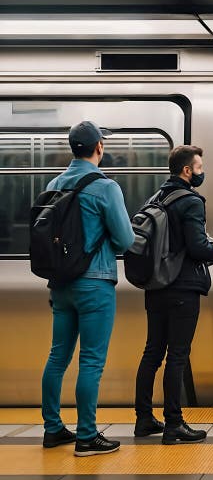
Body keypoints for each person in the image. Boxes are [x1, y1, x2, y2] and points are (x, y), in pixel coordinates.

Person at [40, 121, 135, 456]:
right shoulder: (105, 187)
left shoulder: (54, 183)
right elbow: (126, 239)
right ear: (99, 147)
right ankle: (86, 436)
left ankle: (52, 429)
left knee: (57, 356)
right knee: (91, 361)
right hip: (95, 282)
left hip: (61, 283)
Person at [134, 145, 213, 445]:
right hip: (183, 286)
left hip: (155, 285)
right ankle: (174, 423)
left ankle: (144, 419)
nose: (201, 172)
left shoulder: (155, 198)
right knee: (178, 355)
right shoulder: (191, 201)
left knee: (152, 352)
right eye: (199, 167)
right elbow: (198, 248)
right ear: (187, 170)